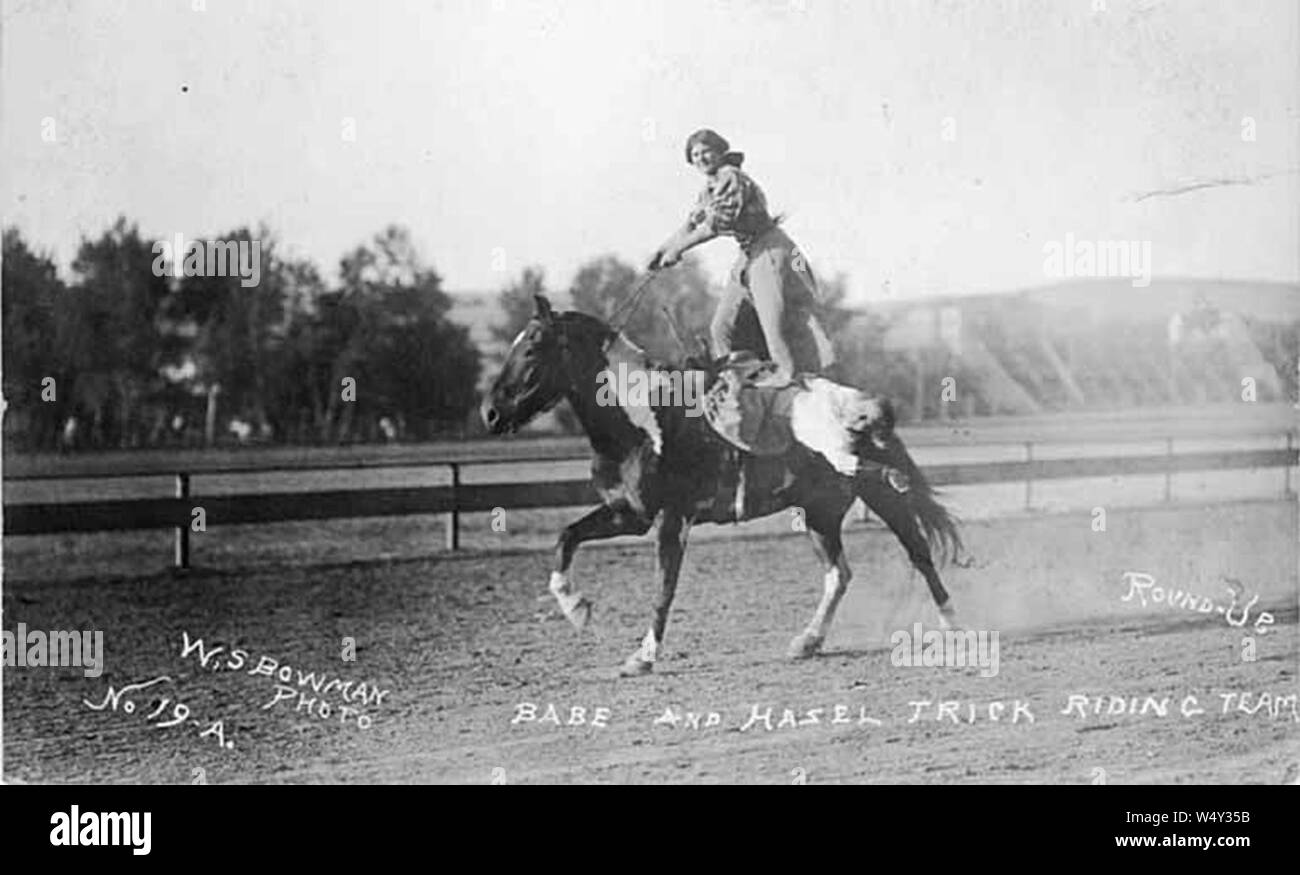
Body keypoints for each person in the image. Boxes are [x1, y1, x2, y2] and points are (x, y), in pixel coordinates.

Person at [648, 128, 835, 384]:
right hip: (748, 253)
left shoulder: (730, 177)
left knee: (772, 322)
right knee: (721, 327)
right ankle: (732, 379)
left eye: (706, 152)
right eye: (695, 154)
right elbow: (690, 225)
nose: (702, 158)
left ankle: (786, 375)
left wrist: (677, 251)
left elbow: (716, 224)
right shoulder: (709, 188)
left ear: (719, 152)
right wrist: (661, 251)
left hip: (769, 249)